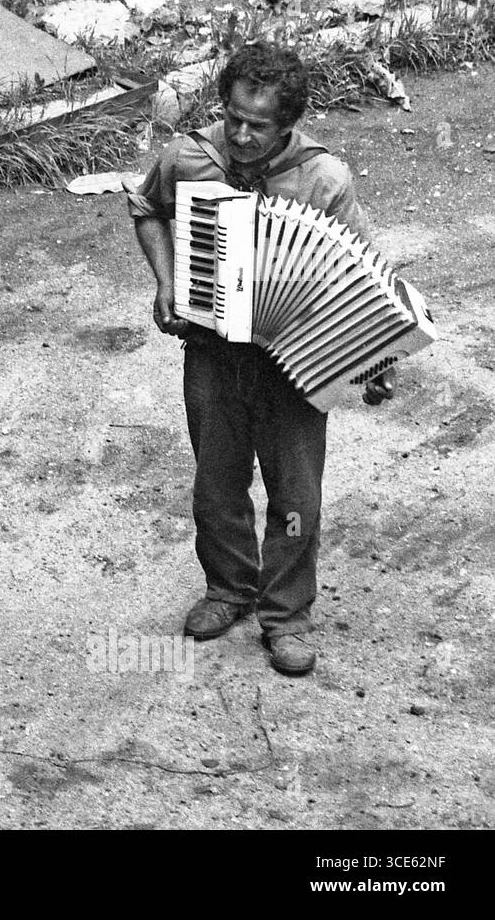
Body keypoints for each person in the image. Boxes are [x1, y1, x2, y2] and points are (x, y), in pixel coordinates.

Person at [127, 42, 395, 676]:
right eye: (234, 116)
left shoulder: (324, 177)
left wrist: (378, 358)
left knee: (296, 491)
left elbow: (362, 270)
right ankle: (229, 589)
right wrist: (167, 283)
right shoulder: (191, 156)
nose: (242, 135)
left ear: (290, 123)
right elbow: (145, 208)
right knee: (216, 481)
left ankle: (286, 615)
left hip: (294, 356)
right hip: (212, 348)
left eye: (260, 125)